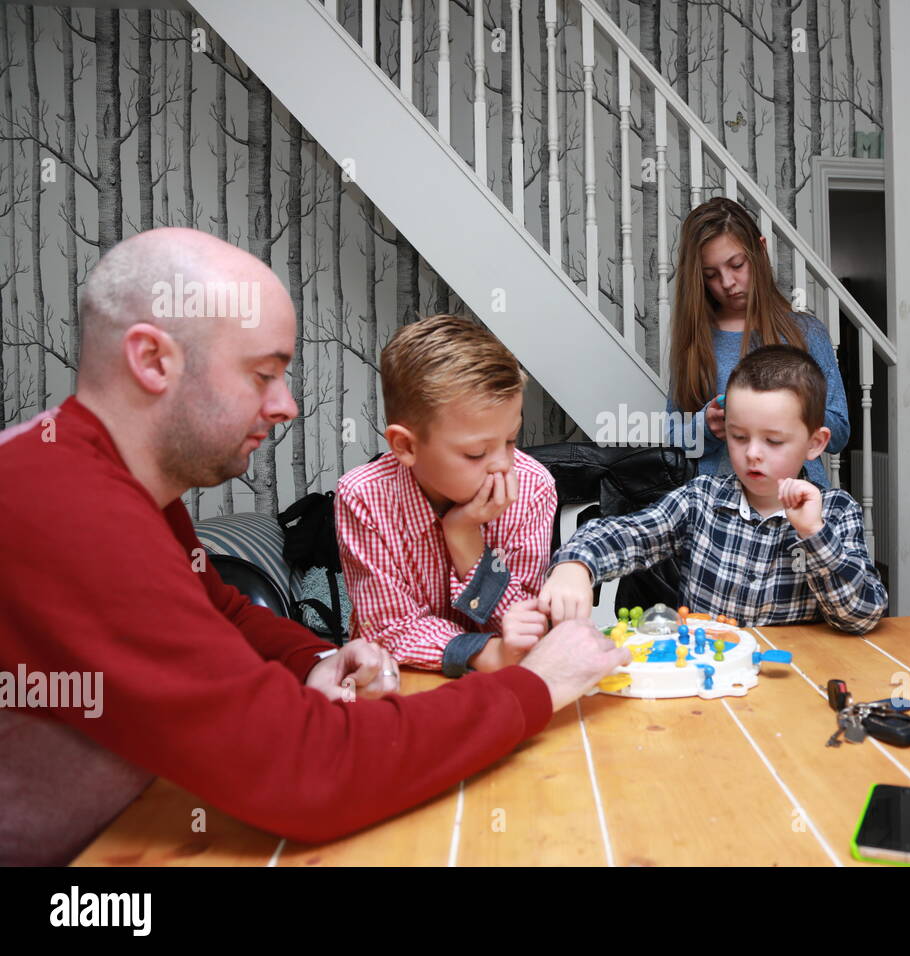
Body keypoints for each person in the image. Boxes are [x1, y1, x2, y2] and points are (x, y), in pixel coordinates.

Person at [0, 228, 626, 866]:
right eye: (263, 373)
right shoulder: (67, 508)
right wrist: (538, 686)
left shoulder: (122, 486)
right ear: (153, 361)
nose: (287, 405)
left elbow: (226, 613)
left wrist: (316, 657)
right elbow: (307, 770)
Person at [540, 345, 887, 633]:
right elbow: (629, 533)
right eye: (739, 436)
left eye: (773, 440)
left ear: (815, 443)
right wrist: (576, 564)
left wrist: (814, 535)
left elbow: (862, 614)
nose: (752, 452)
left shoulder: (837, 512)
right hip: (708, 686)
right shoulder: (700, 500)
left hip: (793, 691)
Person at [335, 315, 557, 676]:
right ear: (405, 445)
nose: (503, 464)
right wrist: (483, 652)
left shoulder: (532, 487)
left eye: (512, 439)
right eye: (476, 453)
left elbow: (524, 627)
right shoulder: (363, 497)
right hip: (397, 693)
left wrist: (466, 538)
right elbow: (388, 630)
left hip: (499, 693)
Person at [665, 196, 850, 488]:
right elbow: (672, 437)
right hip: (718, 515)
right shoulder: (696, 342)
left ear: (760, 250)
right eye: (711, 275)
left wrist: (795, 404)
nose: (727, 283)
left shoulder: (807, 333)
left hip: (795, 509)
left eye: (737, 265)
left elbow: (838, 434)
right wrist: (706, 427)